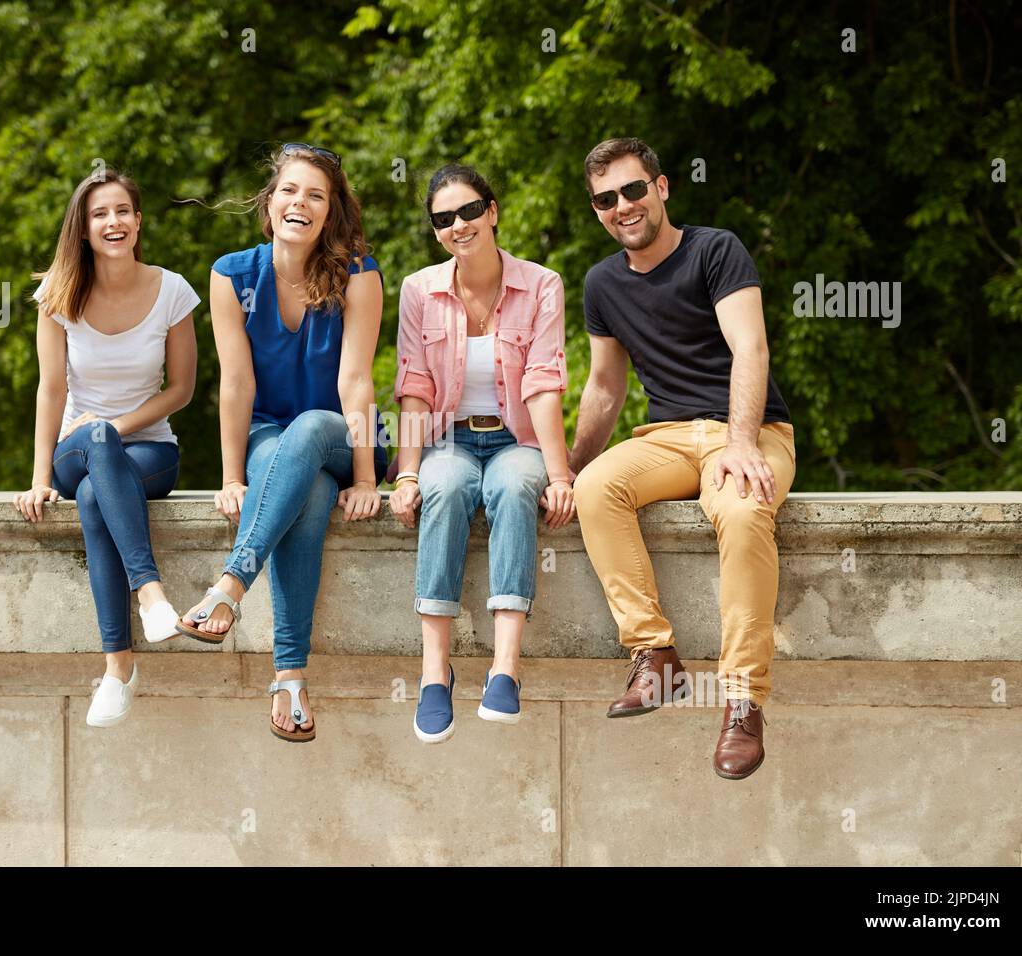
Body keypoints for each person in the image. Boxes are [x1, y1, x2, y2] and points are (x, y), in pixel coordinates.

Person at [569, 137, 797, 780]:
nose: (623, 206)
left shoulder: (715, 250)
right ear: (598, 210)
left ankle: (743, 701)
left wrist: (743, 441)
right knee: (596, 489)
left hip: (752, 431)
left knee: (747, 513)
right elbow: (606, 387)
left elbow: (749, 348)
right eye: (606, 199)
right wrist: (569, 466)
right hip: (666, 437)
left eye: (633, 190)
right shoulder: (602, 283)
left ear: (661, 188)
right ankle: (655, 658)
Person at [181, 143, 386, 743]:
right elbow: (237, 382)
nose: (301, 202)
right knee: (309, 494)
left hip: (342, 433)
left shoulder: (358, 274)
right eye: (290, 191)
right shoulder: (231, 274)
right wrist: (230, 477)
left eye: (316, 196)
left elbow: (354, 379)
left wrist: (370, 480)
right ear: (269, 204)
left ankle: (231, 584)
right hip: (272, 436)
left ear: (330, 213)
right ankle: (290, 676)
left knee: (315, 433)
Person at [390, 164, 574, 744]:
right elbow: (414, 384)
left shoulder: (542, 285)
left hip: (514, 439)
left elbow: (543, 383)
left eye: (469, 210)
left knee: (517, 487)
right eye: (443, 219)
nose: (458, 225)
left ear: (492, 211)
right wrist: (408, 472)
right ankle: (433, 674)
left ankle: (504, 669)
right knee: (442, 490)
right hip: (449, 440)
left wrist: (560, 471)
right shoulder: (419, 290)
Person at [16, 169, 200, 728]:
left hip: (150, 453)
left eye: (122, 211)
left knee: (100, 493)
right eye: (100, 214)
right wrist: (38, 476)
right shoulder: (58, 295)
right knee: (93, 451)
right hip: (76, 449)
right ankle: (150, 595)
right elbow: (52, 389)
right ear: (84, 227)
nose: (113, 222)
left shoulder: (172, 290)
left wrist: (116, 426)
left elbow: (181, 390)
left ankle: (118, 668)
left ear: (138, 221)